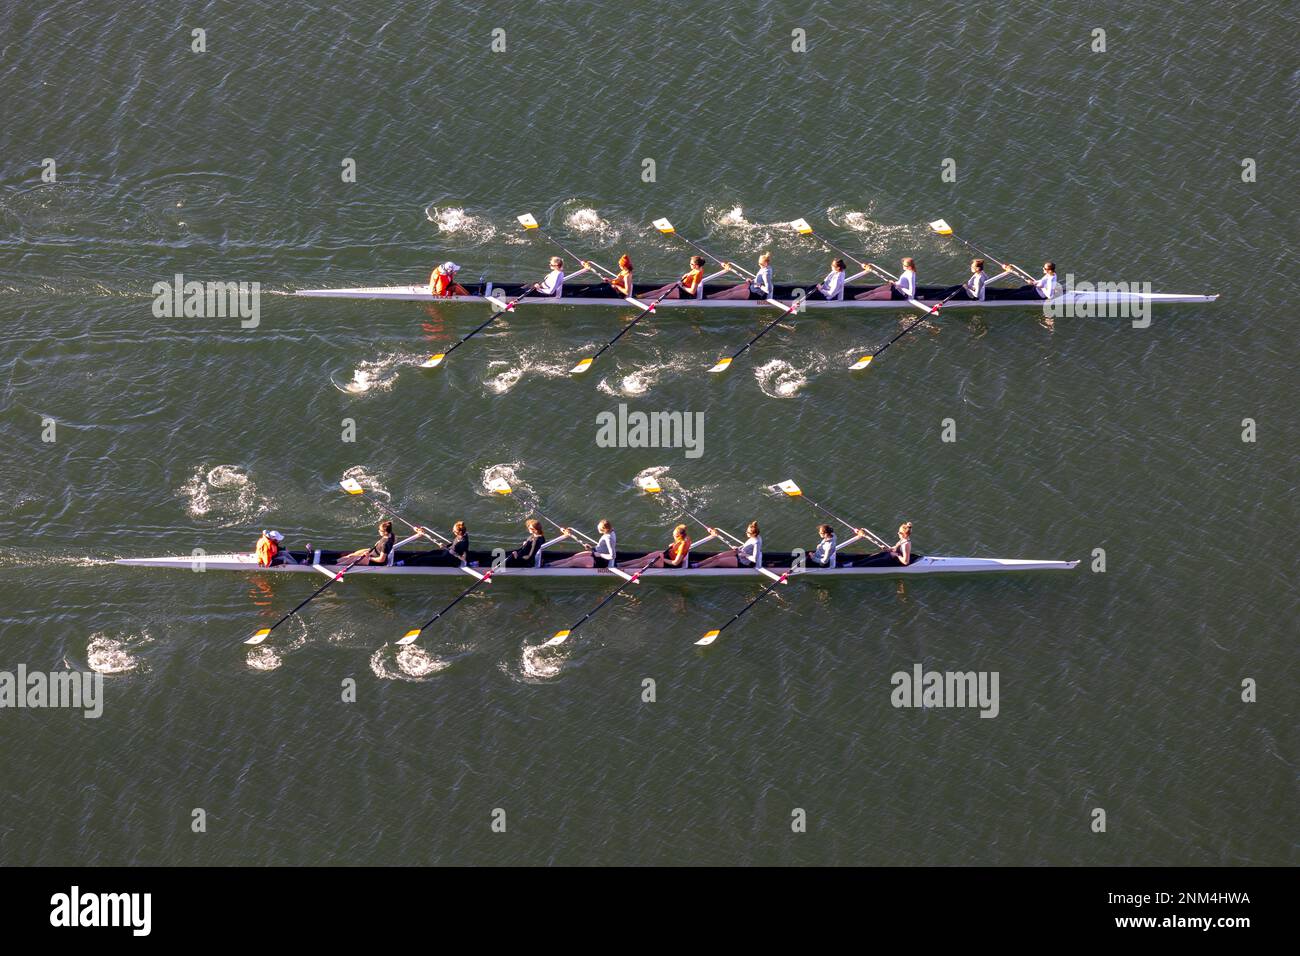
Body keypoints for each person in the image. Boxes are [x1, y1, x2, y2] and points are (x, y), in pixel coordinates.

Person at [620, 523, 692, 569]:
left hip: (671, 563)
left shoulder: (682, 545)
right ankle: (620, 564)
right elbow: (680, 545)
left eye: (674, 535)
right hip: (669, 554)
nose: (673, 536)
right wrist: (674, 545)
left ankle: (625, 569)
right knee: (645, 557)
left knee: (644, 562)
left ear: (679, 536)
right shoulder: (685, 537)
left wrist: (663, 559)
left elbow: (675, 563)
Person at [549, 519, 617, 568]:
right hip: (595, 553)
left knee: (572, 562)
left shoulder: (609, 538)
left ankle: (549, 570)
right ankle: (549, 565)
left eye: (599, 528)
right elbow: (603, 547)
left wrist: (599, 554)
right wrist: (592, 548)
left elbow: (612, 556)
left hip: (600, 561)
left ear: (605, 530)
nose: (597, 529)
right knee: (571, 558)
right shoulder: (611, 530)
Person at [694, 521, 762, 569]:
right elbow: (747, 546)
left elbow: (754, 559)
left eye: (748, 532)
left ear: (753, 534)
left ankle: (698, 570)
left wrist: (745, 555)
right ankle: (697, 565)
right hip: (738, 552)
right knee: (717, 556)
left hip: (743, 562)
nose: (746, 532)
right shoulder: (754, 536)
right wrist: (738, 548)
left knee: (718, 561)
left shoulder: (756, 542)